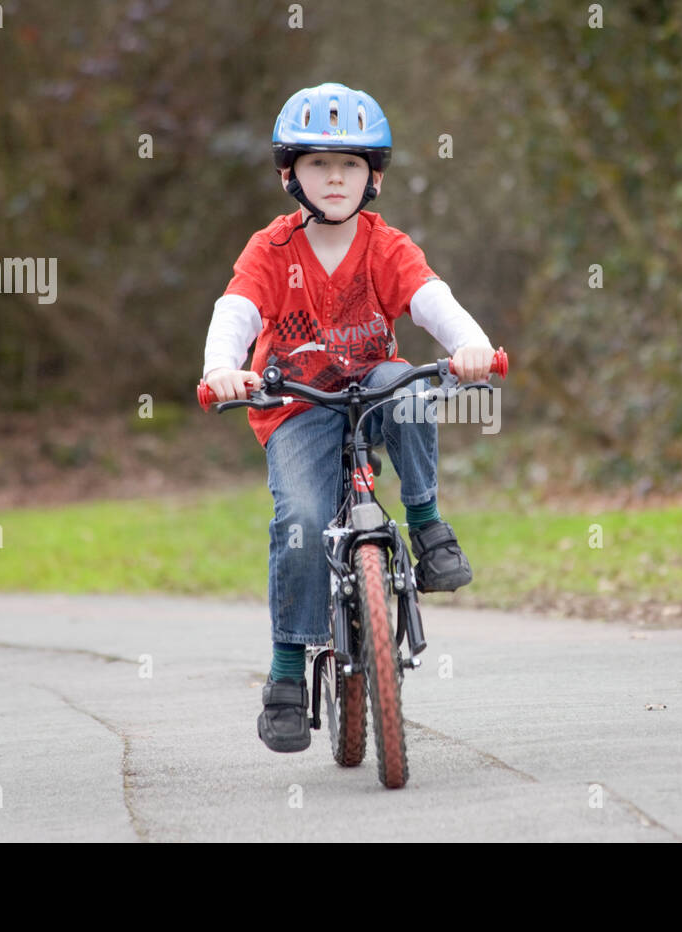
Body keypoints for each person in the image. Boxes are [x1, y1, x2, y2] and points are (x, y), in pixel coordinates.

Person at [202, 82, 495, 753]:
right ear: (289, 175)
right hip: (297, 404)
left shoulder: (385, 246)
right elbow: (236, 311)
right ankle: (284, 669)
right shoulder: (272, 251)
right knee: (301, 519)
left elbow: (431, 299)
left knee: (408, 384)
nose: (334, 178)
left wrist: (469, 345)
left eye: (351, 164)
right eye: (317, 164)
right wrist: (223, 367)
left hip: (373, 392)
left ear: (374, 178)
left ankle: (425, 525)